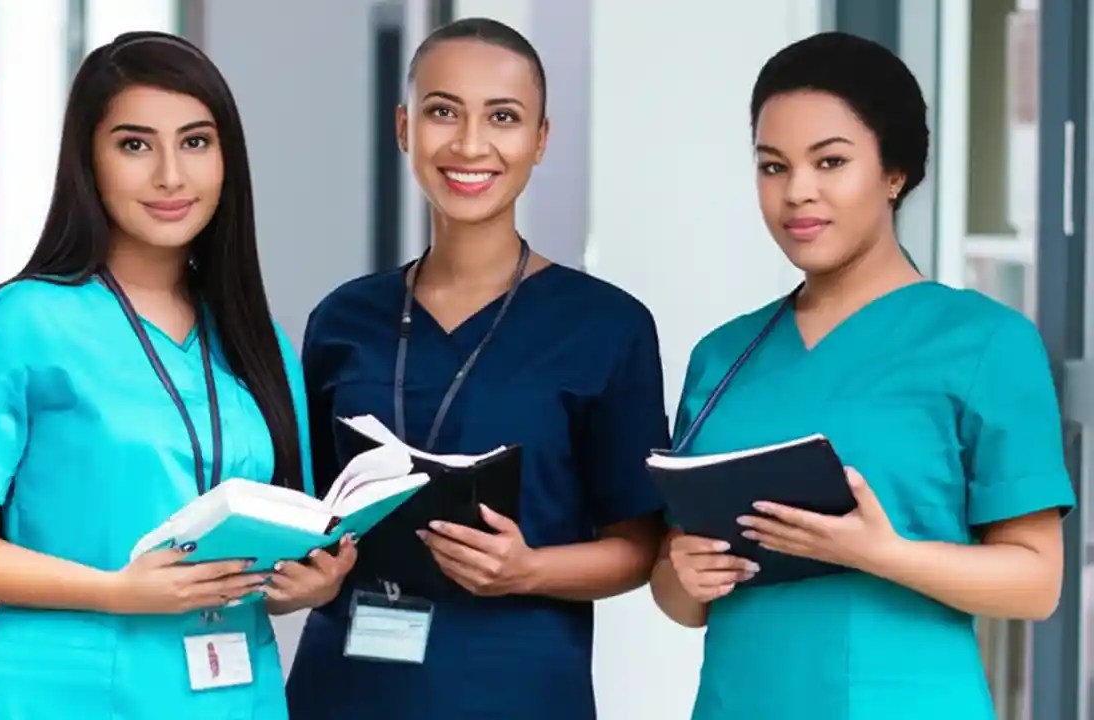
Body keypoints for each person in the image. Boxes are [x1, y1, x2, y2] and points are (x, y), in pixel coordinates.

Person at [0, 31, 355, 719]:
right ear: (89, 160)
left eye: (196, 142)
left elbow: (279, 527)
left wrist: (309, 584)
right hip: (66, 689)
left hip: (234, 690)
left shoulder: (256, 339)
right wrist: (116, 590)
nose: (171, 176)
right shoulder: (18, 325)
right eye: (135, 144)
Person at [649, 31, 1075, 719]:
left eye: (831, 162)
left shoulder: (986, 343)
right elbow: (679, 598)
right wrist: (681, 573)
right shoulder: (722, 357)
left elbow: (1036, 583)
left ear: (894, 173)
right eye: (772, 166)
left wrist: (883, 553)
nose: (798, 193)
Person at [283, 17, 667, 720]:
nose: (469, 144)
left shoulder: (606, 326)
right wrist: (300, 572)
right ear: (404, 127)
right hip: (344, 686)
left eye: (504, 117)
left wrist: (529, 570)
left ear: (540, 139)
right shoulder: (342, 320)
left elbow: (639, 548)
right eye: (441, 112)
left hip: (516, 688)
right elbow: (304, 513)